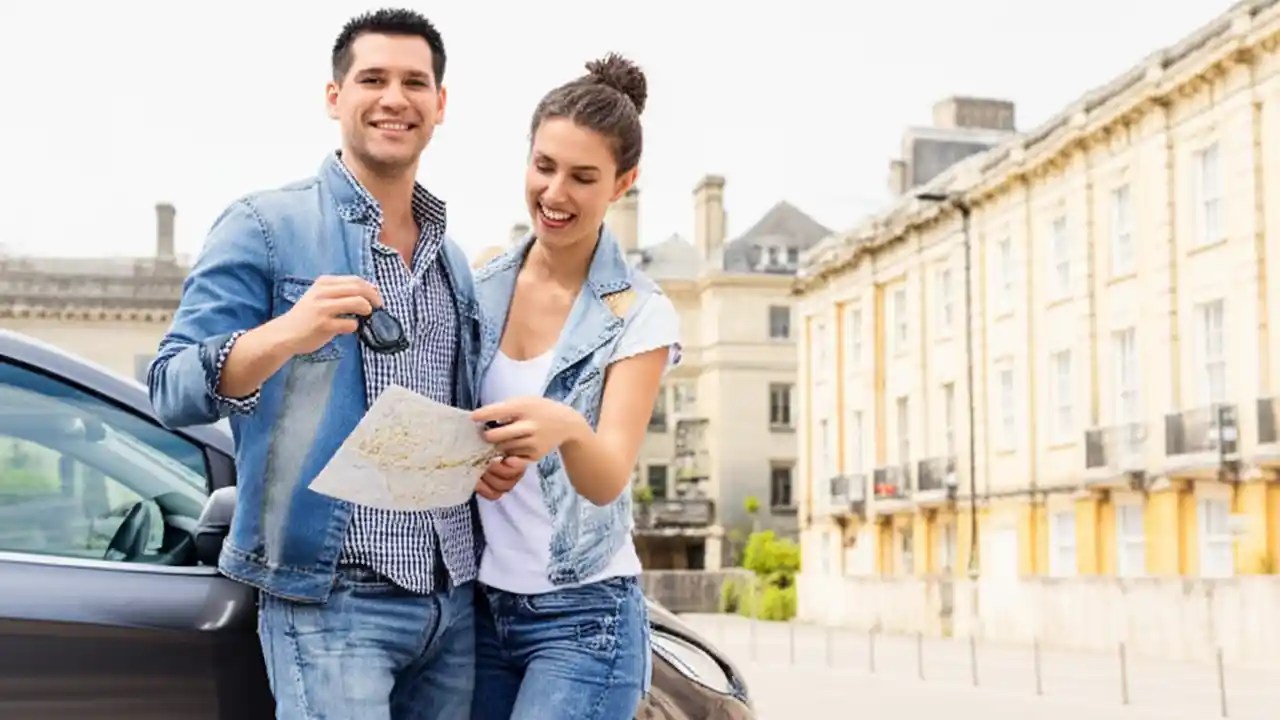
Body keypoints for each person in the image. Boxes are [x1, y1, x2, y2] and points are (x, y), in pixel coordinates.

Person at [147, 9, 524, 719]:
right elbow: (170, 389)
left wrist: (488, 458)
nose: (394, 98)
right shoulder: (265, 226)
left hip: (451, 598)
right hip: (330, 600)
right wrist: (285, 333)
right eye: (372, 79)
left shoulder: (453, 264)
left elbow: (449, 413)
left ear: (440, 105)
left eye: (415, 82)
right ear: (334, 97)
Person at [467, 53, 680, 720]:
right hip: (475, 606)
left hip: (585, 618)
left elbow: (606, 476)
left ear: (624, 182)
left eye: (584, 177)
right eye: (544, 166)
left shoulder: (642, 313)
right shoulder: (479, 285)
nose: (555, 194)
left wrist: (565, 427)